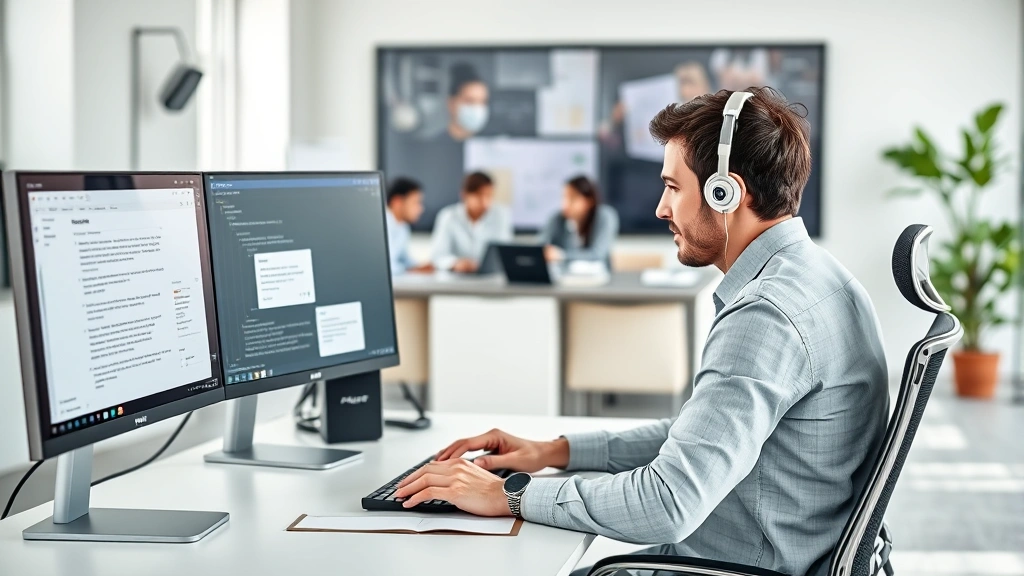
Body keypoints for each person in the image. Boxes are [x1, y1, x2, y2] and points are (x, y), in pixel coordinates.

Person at [395, 88, 889, 576]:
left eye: (673, 187)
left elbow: (668, 503)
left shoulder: (766, 316)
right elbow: (698, 439)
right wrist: (554, 451)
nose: (660, 208)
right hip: (779, 552)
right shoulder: (822, 277)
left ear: (726, 193)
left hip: (733, 567)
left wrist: (510, 494)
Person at [431, 171, 512, 273]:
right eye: (479, 195)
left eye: (489, 196)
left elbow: (506, 252)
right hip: (456, 278)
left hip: (491, 277)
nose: (485, 202)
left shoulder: (501, 215)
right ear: (464, 195)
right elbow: (438, 256)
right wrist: (455, 263)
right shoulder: (448, 216)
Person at [539, 176, 619, 265]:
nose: (565, 204)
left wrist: (562, 255)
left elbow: (598, 254)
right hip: (564, 277)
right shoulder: (557, 218)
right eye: (564, 197)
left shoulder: (605, 216)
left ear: (589, 201)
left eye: (572, 198)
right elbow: (539, 247)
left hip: (598, 277)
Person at [385, 177, 432, 275]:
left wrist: (418, 266)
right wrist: (409, 270)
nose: (421, 209)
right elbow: (386, 266)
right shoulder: (382, 226)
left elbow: (403, 259)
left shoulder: (402, 226)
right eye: (416, 203)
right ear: (397, 202)